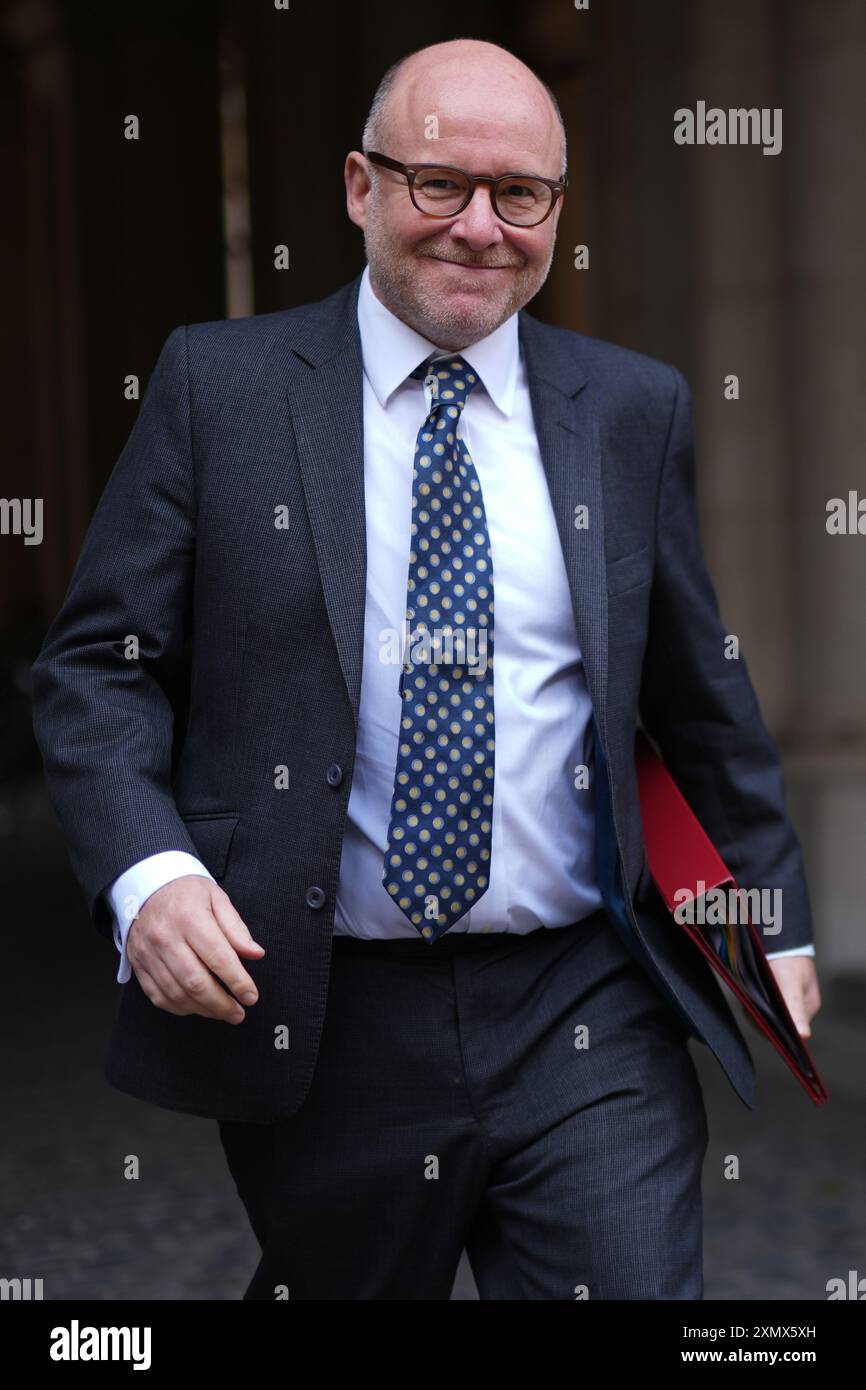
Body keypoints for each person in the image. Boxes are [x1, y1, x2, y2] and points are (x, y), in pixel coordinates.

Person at [31, 37, 820, 1300]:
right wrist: (150, 871)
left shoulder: (627, 408)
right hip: (329, 1007)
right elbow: (96, 668)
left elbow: (693, 693)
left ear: (556, 210)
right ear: (358, 187)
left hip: (584, 997)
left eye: (521, 196)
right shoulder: (219, 391)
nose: (480, 228)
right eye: (438, 183)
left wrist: (759, 903)